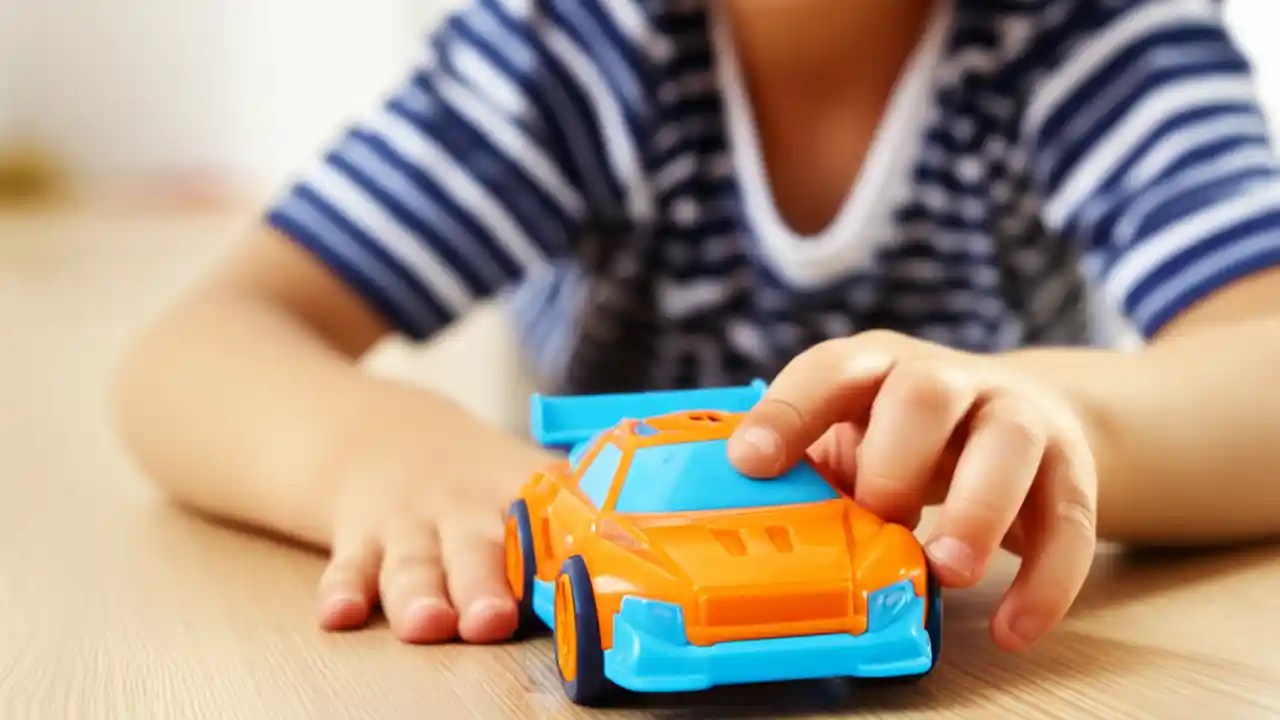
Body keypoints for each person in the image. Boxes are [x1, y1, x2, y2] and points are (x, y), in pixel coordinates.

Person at [112, 0, 1280, 653]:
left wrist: (1063, 427)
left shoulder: (1102, 41)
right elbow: (199, 346)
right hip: (617, 546)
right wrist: (384, 457)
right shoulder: (563, 48)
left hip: (944, 616)